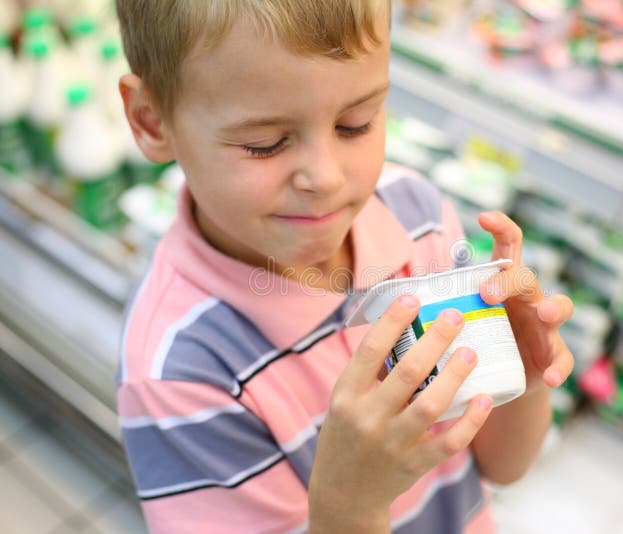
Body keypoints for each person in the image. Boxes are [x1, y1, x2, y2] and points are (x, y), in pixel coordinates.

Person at [115, 1, 575, 532]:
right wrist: (347, 503)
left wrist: (523, 374)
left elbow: (502, 465)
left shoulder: (417, 216)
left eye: (355, 124)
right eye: (265, 144)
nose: (326, 177)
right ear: (152, 121)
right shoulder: (180, 372)